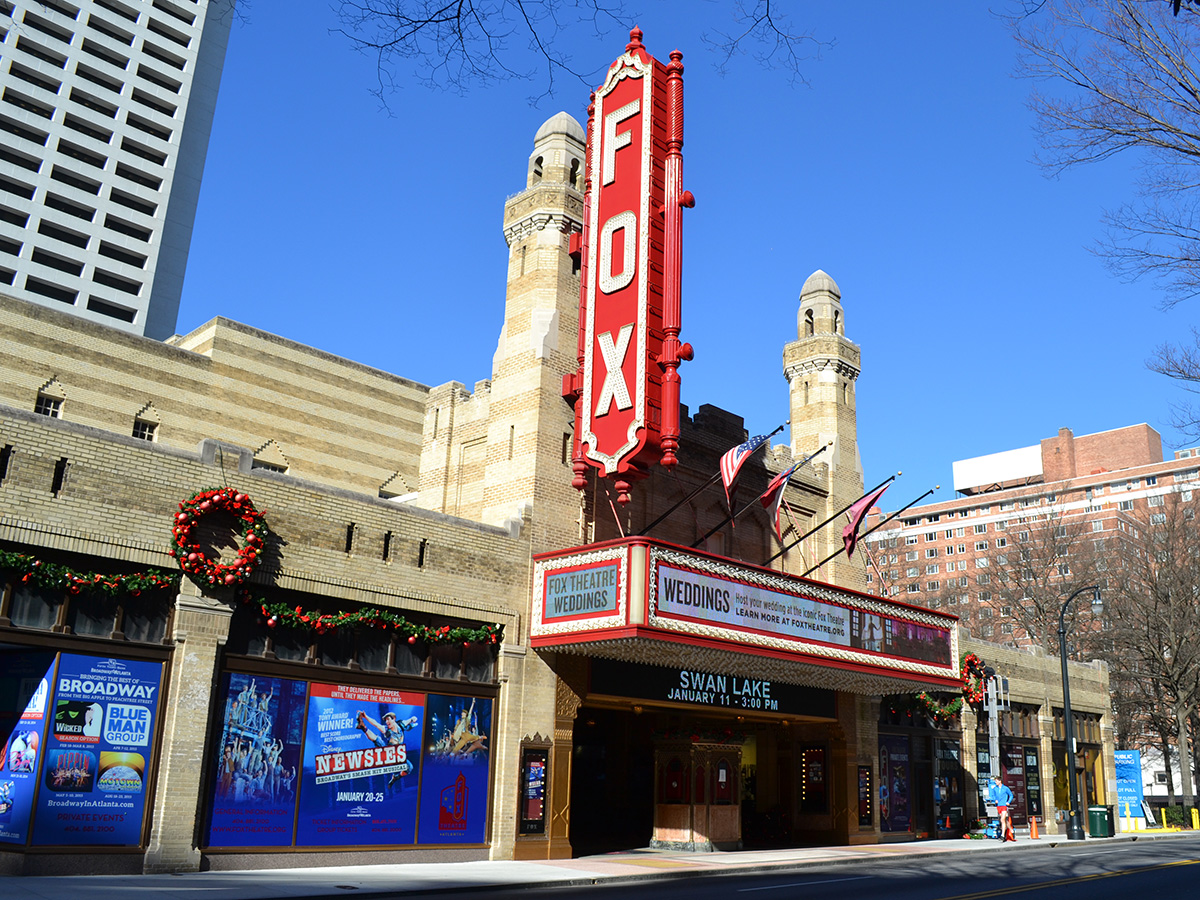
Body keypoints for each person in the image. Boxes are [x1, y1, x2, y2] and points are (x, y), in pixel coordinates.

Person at [989, 775, 1015, 841]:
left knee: (1002, 819)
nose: (995, 782)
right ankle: (1011, 830)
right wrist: (995, 799)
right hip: (999, 805)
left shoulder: (1005, 788)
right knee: (1004, 820)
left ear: (1000, 781)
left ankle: (1003, 835)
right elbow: (992, 795)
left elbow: (1011, 795)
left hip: (1004, 805)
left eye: (996, 781)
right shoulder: (995, 788)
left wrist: (1008, 802)